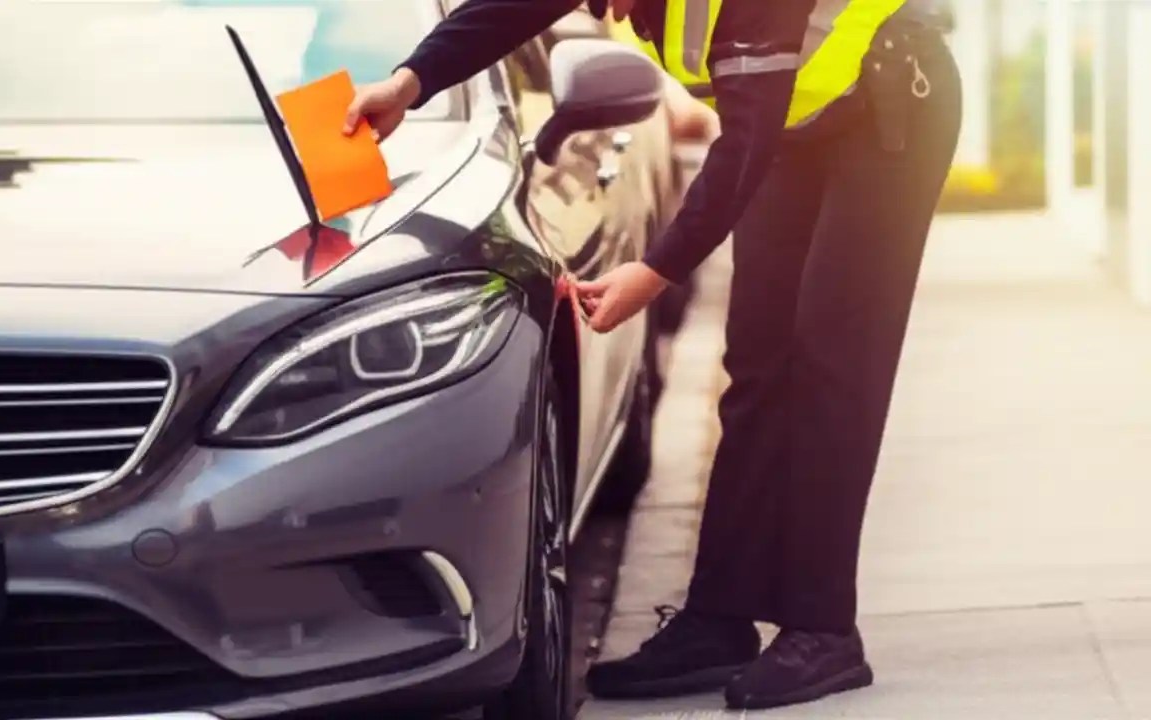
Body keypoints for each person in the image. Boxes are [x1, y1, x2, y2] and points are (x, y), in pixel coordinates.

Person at [346, 0, 961, 711]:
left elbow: (745, 139)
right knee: (757, 372)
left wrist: (654, 271)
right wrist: (410, 80)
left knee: (830, 369)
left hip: (890, 106)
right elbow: (511, 8)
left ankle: (823, 630)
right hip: (799, 127)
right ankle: (721, 619)